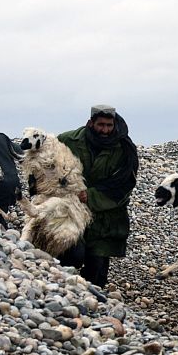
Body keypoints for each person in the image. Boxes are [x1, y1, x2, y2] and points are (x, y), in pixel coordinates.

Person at [56, 105, 139, 287]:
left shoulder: (124, 149)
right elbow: (44, 166)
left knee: (97, 271)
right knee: (68, 258)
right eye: (101, 125)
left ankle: (95, 309)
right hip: (69, 213)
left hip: (105, 219)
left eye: (109, 125)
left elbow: (124, 185)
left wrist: (90, 196)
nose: (105, 130)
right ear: (90, 123)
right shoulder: (67, 141)